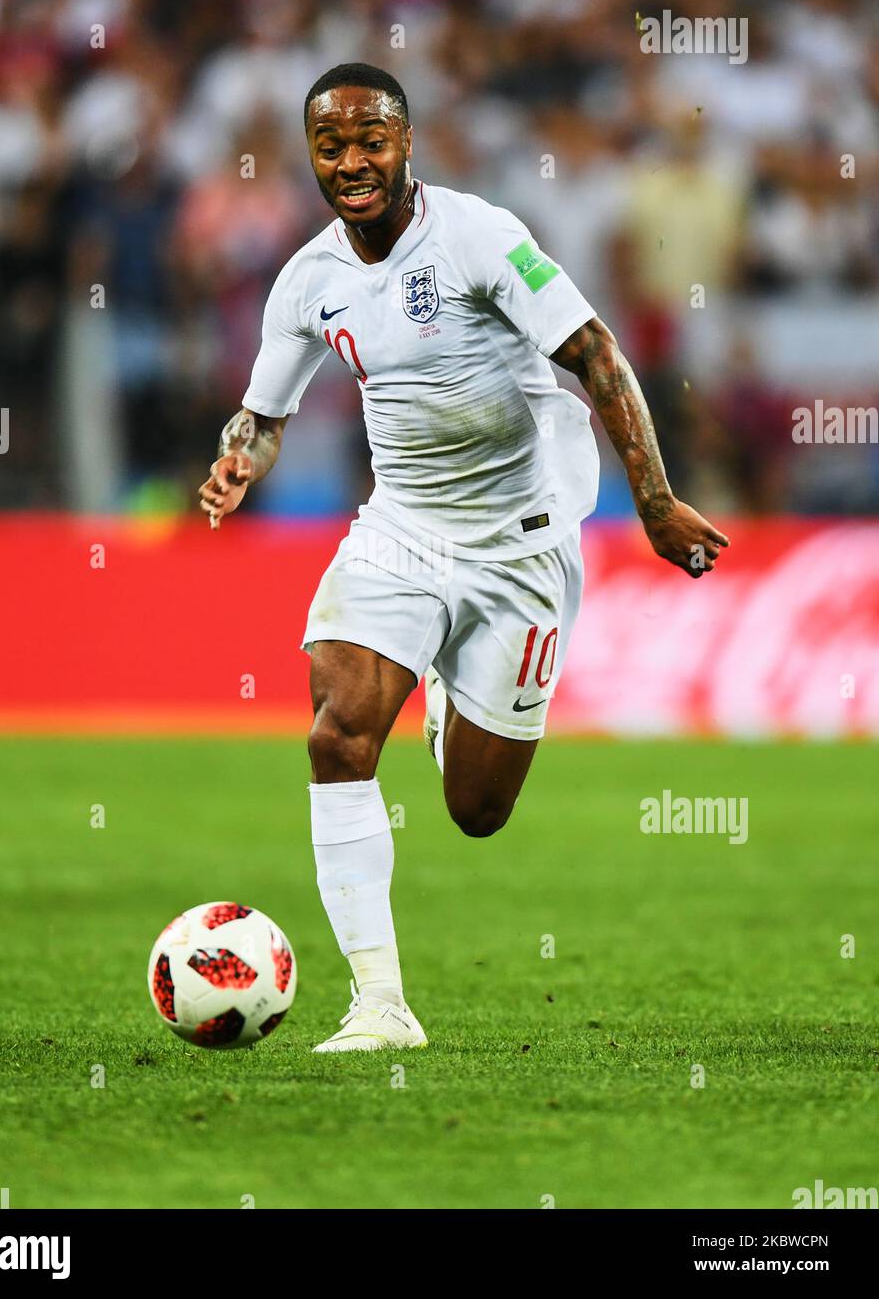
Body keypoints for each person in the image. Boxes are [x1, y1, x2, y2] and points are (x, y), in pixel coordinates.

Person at [198, 63, 729, 1052]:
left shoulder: (484, 238)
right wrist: (240, 454)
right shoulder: (308, 282)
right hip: (400, 531)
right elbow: (264, 415)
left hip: (521, 546)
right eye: (330, 144)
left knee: (477, 811)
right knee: (336, 735)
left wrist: (653, 501)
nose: (352, 161)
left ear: (408, 141)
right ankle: (381, 1005)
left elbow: (598, 354)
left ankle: (453, 697)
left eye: (371, 140)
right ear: (309, 153)